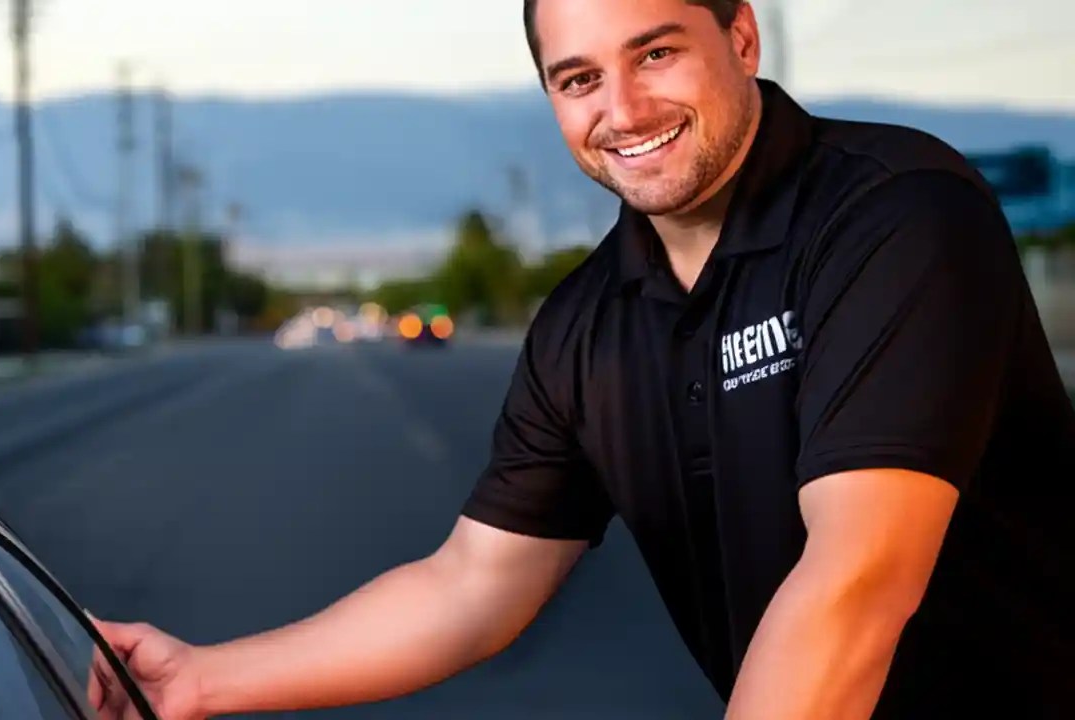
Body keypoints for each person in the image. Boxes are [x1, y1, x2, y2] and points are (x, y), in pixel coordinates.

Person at [87, 1, 1075, 718]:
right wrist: (202, 680)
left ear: (739, 39)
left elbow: (855, 576)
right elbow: (471, 587)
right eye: (578, 78)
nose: (623, 107)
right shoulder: (584, 324)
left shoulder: (893, 215)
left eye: (654, 54)